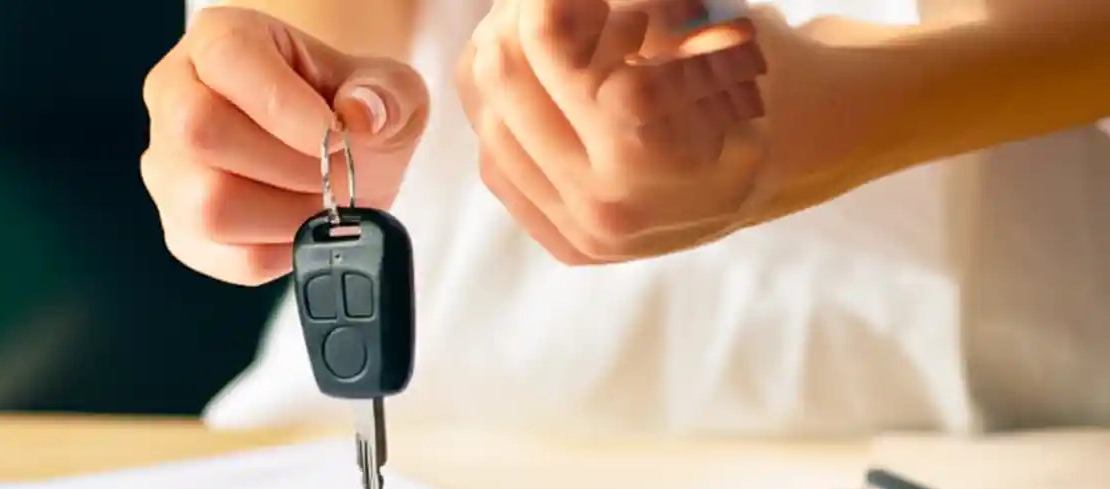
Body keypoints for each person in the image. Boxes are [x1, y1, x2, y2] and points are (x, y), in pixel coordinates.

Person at [140, 0, 1110, 437]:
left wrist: (850, 111)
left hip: (992, 425)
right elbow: (315, 28)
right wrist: (273, 94)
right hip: (441, 411)